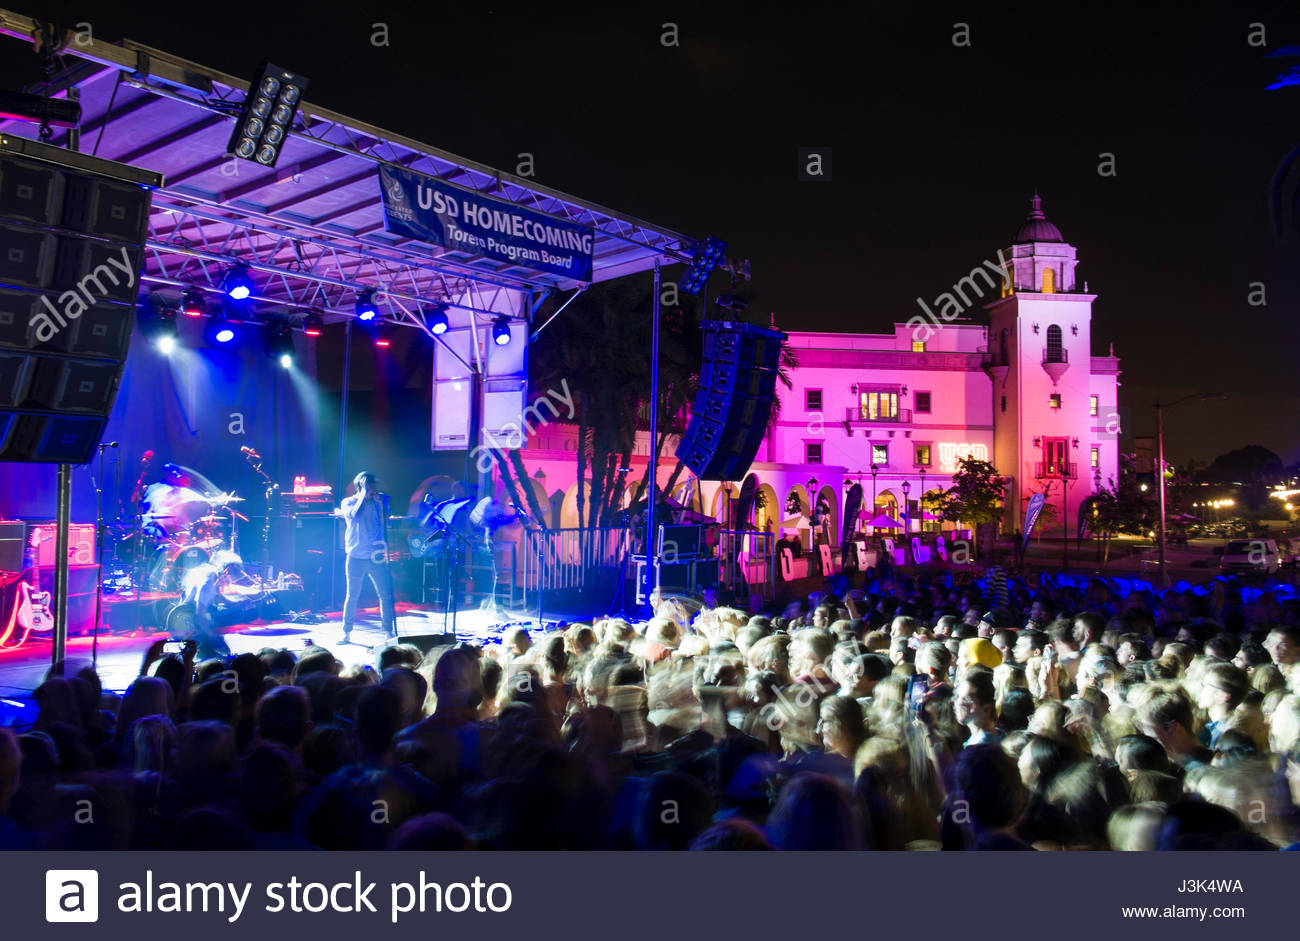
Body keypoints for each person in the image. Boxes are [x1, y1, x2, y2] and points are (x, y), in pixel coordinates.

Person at [334, 471, 396, 644]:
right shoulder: (349, 502)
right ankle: (346, 632)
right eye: (369, 485)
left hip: (376, 555)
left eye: (374, 485)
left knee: (385, 594)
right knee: (352, 595)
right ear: (361, 486)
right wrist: (363, 496)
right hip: (355, 555)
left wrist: (382, 506)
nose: (373, 488)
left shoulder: (378, 503)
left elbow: (386, 522)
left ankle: (387, 631)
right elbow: (354, 514)